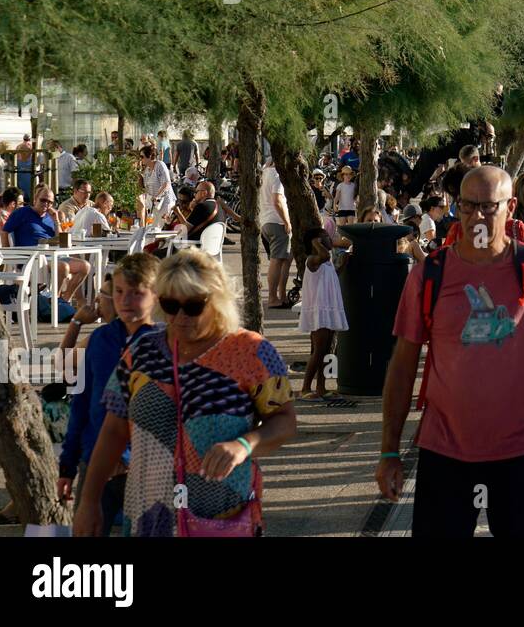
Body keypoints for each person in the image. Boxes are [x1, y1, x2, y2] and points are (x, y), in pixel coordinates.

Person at [377, 166, 524, 538]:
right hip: (444, 453)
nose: (476, 218)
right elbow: (402, 367)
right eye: (467, 207)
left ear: (511, 206)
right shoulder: (428, 275)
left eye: (488, 207)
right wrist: (389, 452)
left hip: (518, 453)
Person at [74, 249, 297, 536]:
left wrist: (245, 444)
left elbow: (285, 420)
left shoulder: (251, 351)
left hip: (222, 519)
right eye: (169, 304)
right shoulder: (141, 353)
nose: (179, 317)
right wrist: (89, 501)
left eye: (193, 306)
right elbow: (114, 430)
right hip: (148, 519)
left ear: (216, 301)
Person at [57, 253, 163, 534]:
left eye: (136, 293)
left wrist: (125, 457)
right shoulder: (100, 339)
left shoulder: (165, 344)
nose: (125, 301)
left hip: (144, 470)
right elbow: (81, 402)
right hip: (94, 461)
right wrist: (67, 466)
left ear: (156, 295)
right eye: (118, 292)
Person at [6, 185, 90, 301]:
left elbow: (61, 240)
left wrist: (56, 221)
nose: (46, 204)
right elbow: (5, 232)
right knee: (63, 267)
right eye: (43, 200)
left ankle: (63, 301)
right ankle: (53, 302)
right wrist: (10, 257)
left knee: (85, 266)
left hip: (52, 256)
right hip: (33, 258)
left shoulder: (50, 217)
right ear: (35, 199)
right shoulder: (22, 213)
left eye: (50, 202)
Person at [297, 227, 348, 400]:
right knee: (318, 350)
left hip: (329, 309)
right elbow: (324, 255)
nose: (329, 239)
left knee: (326, 350)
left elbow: (333, 275)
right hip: (319, 311)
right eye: (324, 237)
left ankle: (321, 387)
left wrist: (345, 264)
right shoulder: (313, 260)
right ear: (315, 242)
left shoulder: (327, 262)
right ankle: (305, 388)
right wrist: (317, 243)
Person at [259, 157, 293, 309]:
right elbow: (277, 200)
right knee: (277, 260)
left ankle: (282, 296)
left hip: (266, 221)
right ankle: (273, 298)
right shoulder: (278, 176)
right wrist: (287, 221)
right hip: (277, 221)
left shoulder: (264, 174)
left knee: (283, 260)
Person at [136, 144, 174, 223]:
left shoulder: (160, 165)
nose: (140, 159)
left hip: (165, 202)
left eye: (142, 156)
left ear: (149, 156)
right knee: (153, 226)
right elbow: (145, 188)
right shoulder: (147, 170)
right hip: (155, 204)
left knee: (160, 226)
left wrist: (157, 196)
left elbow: (166, 183)